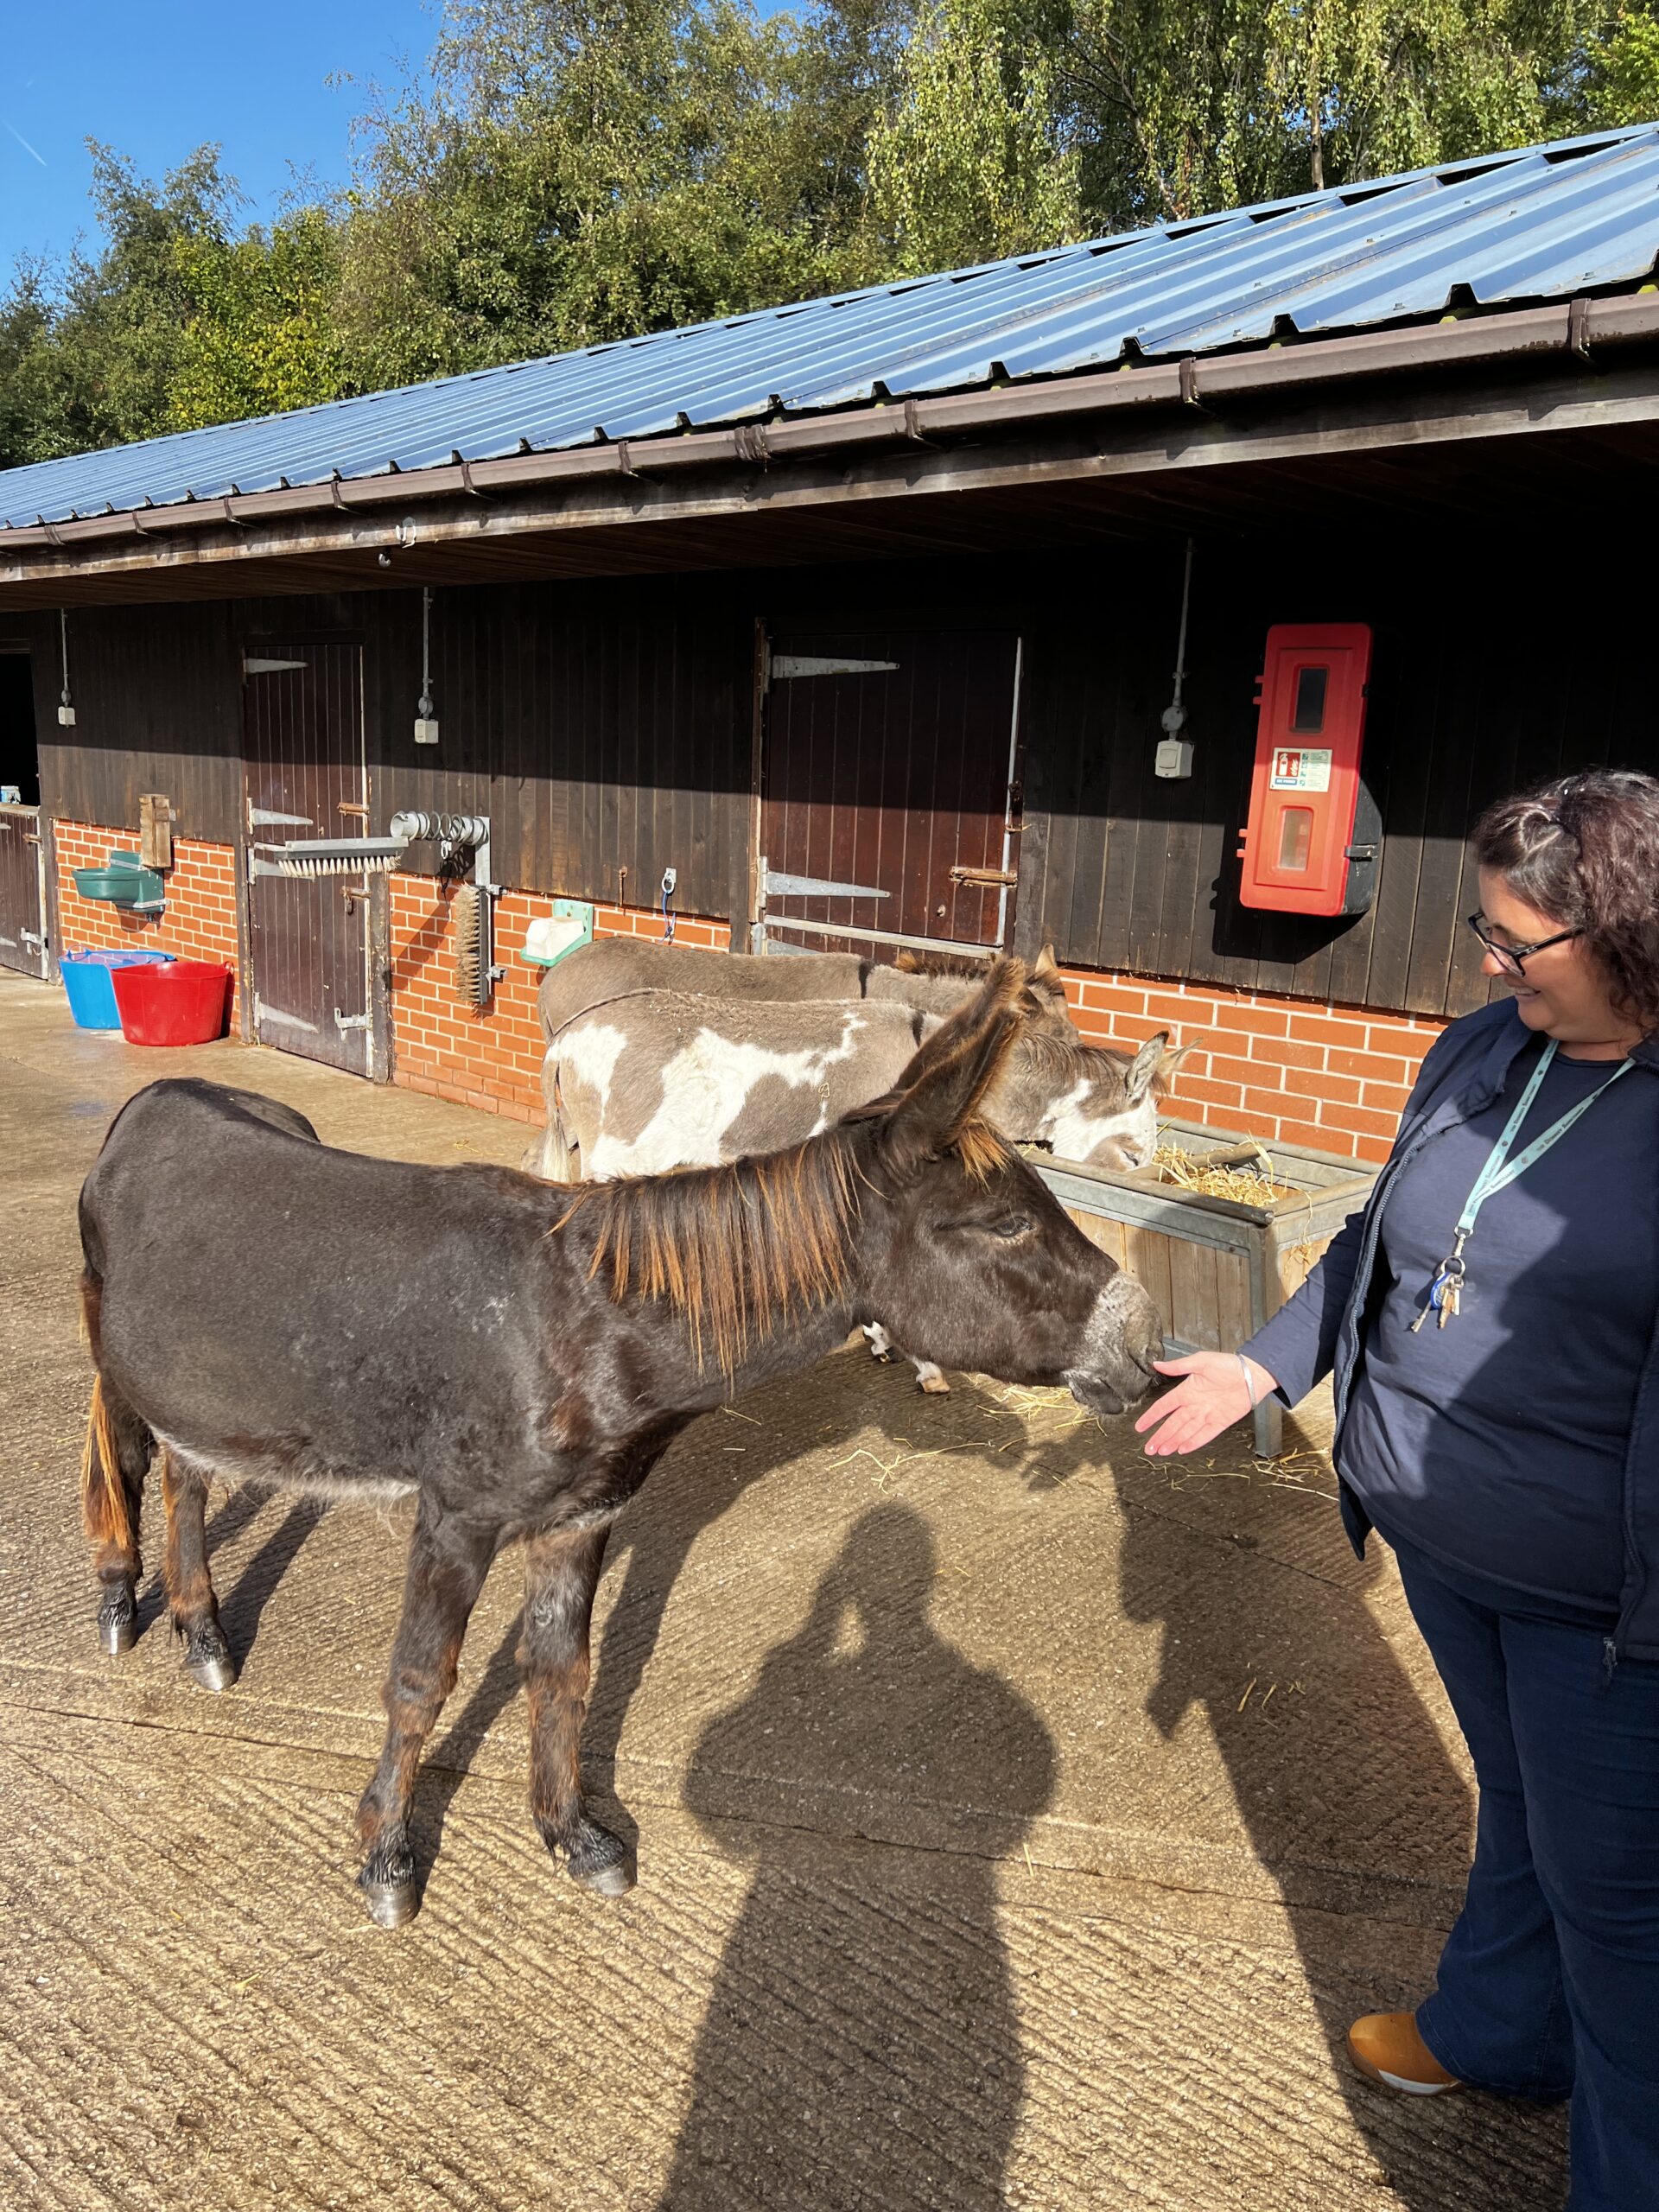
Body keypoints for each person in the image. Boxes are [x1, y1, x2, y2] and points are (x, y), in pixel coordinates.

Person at [1136, 769, 1659, 2212]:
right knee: (1522, 1810)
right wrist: (1262, 1367)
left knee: (1627, 1926)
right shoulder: (1487, 1049)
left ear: (1628, 932)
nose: (1487, 965)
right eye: (1487, 933)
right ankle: (1497, 2034)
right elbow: (1385, 1230)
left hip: (1606, 1611)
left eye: (1518, 941)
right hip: (1439, 1543)